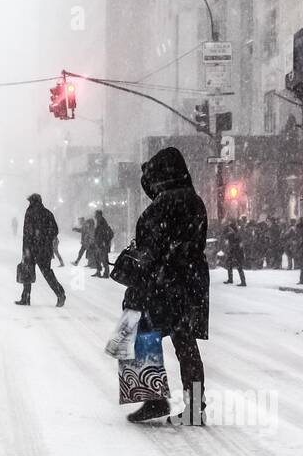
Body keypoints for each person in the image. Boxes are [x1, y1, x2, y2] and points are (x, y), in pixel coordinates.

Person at [123, 147, 210, 425]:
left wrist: (141, 272)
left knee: (140, 334)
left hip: (162, 281)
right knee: (186, 343)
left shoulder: (163, 204)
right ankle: (195, 407)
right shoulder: (195, 201)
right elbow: (191, 243)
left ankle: (153, 399)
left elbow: (150, 248)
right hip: (190, 280)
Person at [17, 194, 65, 307]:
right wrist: (45, 239)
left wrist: (27, 249)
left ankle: (26, 298)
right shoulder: (47, 213)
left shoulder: (30, 213)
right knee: (47, 273)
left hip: (30, 249)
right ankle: (60, 294)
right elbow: (55, 230)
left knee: (27, 273)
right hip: (44, 249)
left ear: (32, 202)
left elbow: (27, 233)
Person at [222, 219, 246, 286]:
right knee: (232, 265)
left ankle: (242, 281)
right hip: (235, 251)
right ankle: (235, 280)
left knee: (237, 266)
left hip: (235, 251)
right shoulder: (236, 232)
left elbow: (225, 236)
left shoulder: (233, 233)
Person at [93, 210, 114, 278]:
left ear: (99, 215)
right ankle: (98, 272)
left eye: (96, 214)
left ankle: (106, 273)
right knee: (97, 258)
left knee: (104, 259)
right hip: (99, 243)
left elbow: (103, 234)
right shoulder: (99, 222)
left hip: (102, 244)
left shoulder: (103, 222)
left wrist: (104, 242)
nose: (95, 215)